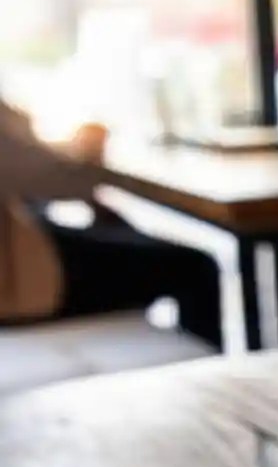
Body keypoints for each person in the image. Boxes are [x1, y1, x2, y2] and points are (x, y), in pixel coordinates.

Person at [0, 100, 223, 349]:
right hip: (20, 288)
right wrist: (89, 151)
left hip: (25, 252)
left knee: (127, 233)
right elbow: (57, 179)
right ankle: (220, 377)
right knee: (194, 266)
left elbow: (25, 162)